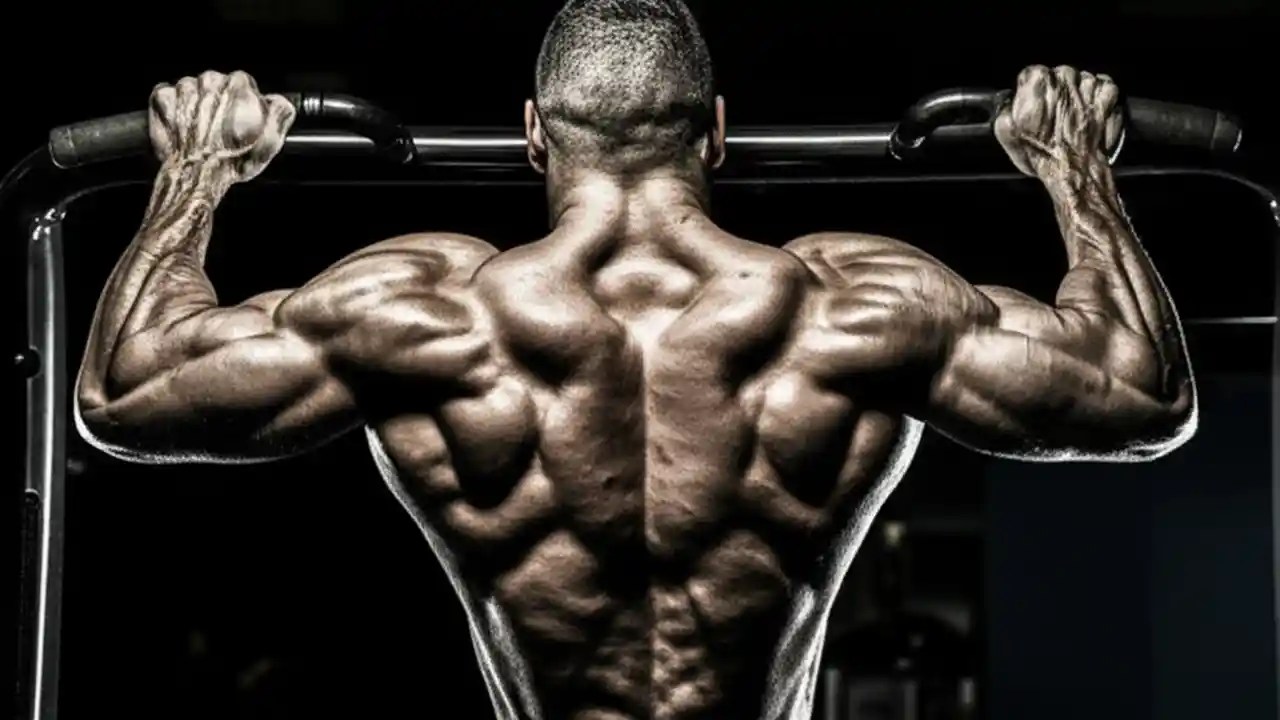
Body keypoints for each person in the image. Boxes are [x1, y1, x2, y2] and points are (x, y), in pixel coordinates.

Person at [74, 1, 1197, 718]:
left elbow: (125, 391)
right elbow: (1140, 393)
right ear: (715, 131)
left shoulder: (422, 313)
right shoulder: (854, 308)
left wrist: (196, 178)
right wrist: (1075, 174)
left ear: (533, 133)